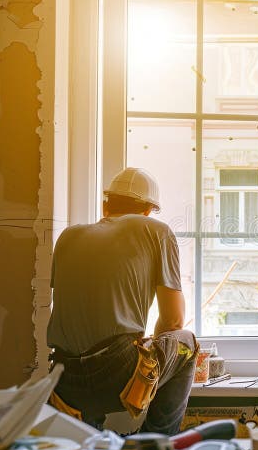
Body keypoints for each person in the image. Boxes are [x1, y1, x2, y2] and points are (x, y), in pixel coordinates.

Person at [47, 167, 198, 434]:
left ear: (106, 206)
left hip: (64, 380)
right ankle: (156, 443)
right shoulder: (156, 231)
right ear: (148, 210)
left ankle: (94, 444)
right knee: (187, 343)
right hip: (117, 372)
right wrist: (153, 349)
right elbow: (174, 319)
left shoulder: (68, 236)